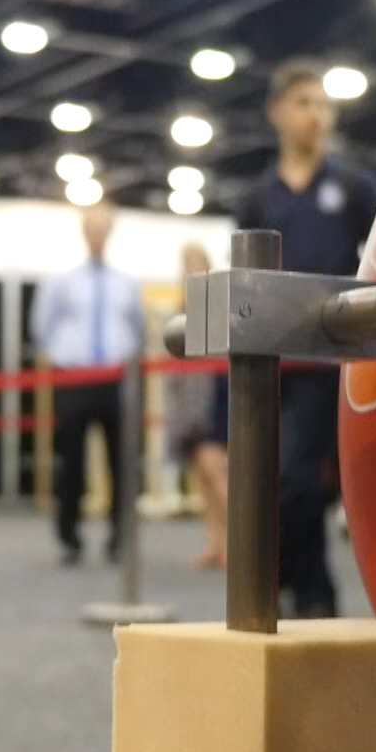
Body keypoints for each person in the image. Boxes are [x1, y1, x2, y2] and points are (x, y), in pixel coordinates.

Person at [236, 59, 376, 618]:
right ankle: (297, 589)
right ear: (277, 113)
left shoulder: (355, 187)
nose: (315, 115)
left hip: (329, 363)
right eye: (303, 103)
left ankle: (310, 591)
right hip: (269, 362)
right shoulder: (258, 198)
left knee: (302, 479)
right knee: (272, 481)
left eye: (323, 104)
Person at [32, 202, 143, 566]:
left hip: (115, 381)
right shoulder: (62, 283)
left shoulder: (127, 284)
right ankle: (69, 537)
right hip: (75, 378)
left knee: (121, 462)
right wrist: (64, 358)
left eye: (102, 228)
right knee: (71, 462)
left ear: (109, 232)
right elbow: (42, 328)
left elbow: (137, 330)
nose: (97, 234)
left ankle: (118, 538)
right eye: (91, 228)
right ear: (84, 232)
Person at [166, 242, 227, 569]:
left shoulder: (216, 306)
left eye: (194, 264)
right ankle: (216, 544)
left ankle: (241, 545)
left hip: (213, 396)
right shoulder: (181, 308)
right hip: (189, 402)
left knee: (216, 472)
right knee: (203, 477)